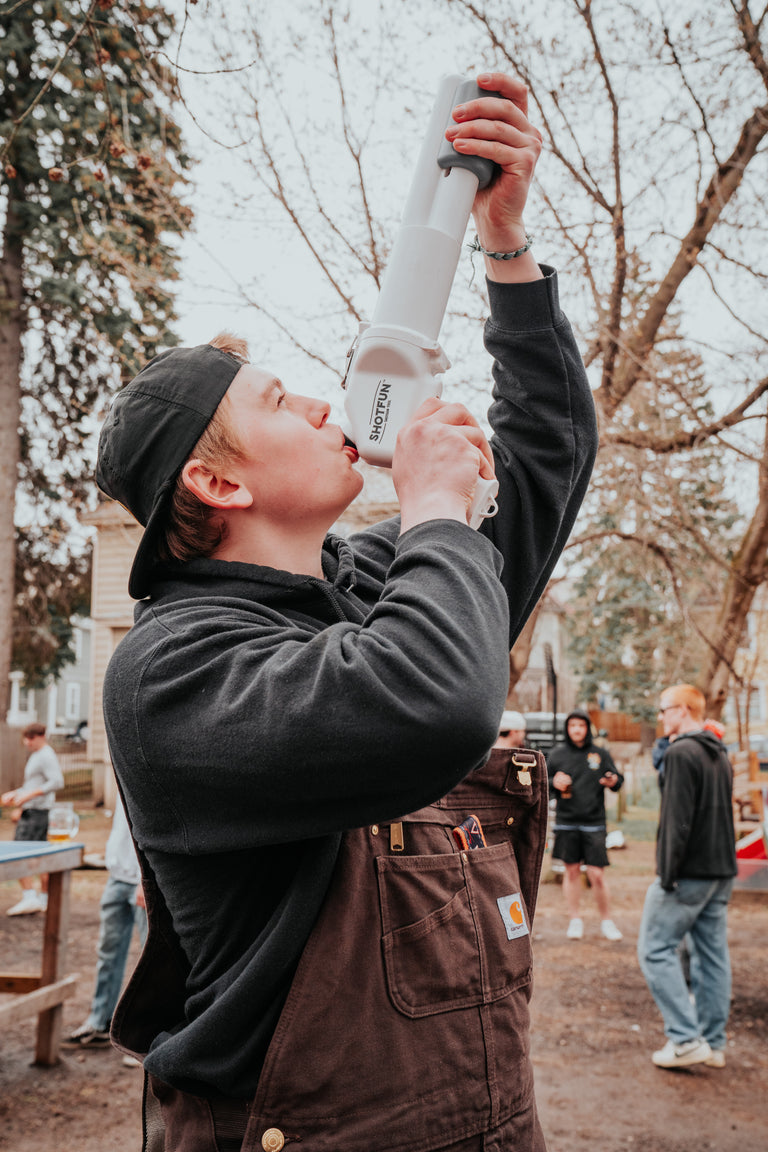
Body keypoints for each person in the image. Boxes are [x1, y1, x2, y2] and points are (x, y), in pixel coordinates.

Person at [95, 72, 598, 1152]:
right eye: (278, 402)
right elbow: (431, 704)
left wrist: (505, 247)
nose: (326, 401)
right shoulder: (172, 674)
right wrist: (431, 506)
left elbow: (547, 464)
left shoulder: (379, 581)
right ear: (217, 485)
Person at [638, 684, 737, 1070]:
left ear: (681, 710)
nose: (660, 717)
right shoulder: (718, 750)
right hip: (721, 869)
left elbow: (676, 819)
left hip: (690, 871)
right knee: (711, 955)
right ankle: (712, 1043)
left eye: (664, 710)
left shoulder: (682, 752)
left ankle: (684, 1039)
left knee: (654, 949)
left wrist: (667, 874)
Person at [63, 797, 147, 1049]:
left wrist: (146, 876)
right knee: (107, 952)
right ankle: (100, 1022)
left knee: (150, 958)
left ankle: (146, 1037)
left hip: (145, 881)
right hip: (117, 878)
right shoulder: (121, 765)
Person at [547, 709, 624, 941]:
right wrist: (554, 783)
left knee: (596, 875)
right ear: (567, 729)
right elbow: (544, 783)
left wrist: (613, 781)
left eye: (581, 725)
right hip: (567, 822)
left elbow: (617, 780)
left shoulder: (599, 753)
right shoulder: (557, 754)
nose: (577, 730)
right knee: (571, 872)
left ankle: (607, 921)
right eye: (572, 726)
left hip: (594, 822)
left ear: (587, 728)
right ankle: (575, 919)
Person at [1, 723, 64, 915]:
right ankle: (42, 899)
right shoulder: (37, 755)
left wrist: (28, 797)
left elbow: (57, 782)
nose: (26, 742)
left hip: (37, 813)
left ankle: (31, 897)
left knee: (19, 855)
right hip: (32, 812)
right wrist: (16, 793)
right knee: (38, 856)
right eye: (25, 738)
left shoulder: (46, 755)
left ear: (40, 736)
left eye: (30, 738)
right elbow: (33, 784)